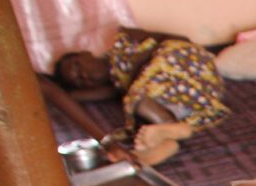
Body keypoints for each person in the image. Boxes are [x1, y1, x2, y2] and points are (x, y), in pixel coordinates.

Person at [54, 27, 229, 165]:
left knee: (139, 100)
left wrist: (147, 64)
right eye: (78, 81)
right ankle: (169, 138)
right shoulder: (117, 85)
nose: (83, 76)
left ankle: (173, 130)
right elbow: (67, 97)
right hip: (190, 92)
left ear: (86, 53)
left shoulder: (124, 40)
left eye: (77, 67)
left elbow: (179, 40)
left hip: (184, 61)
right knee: (140, 107)